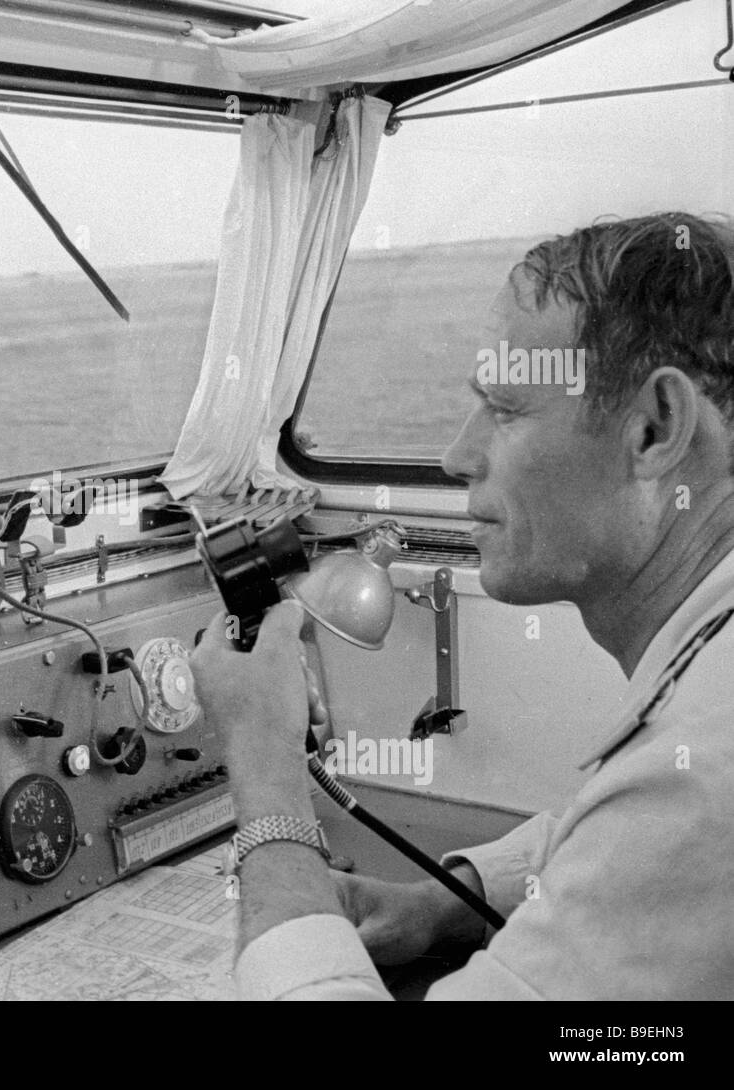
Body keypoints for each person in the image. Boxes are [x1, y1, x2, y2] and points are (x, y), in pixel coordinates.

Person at [191, 212, 734, 1000]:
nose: (457, 456)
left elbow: (671, 827)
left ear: (654, 430)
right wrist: (451, 901)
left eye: (507, 410)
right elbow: (619, 843)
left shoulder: (700, 781)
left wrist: (266, 768)